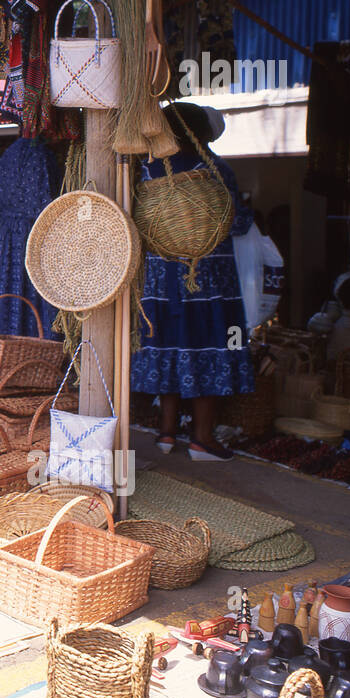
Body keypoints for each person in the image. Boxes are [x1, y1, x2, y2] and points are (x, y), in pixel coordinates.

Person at [131, 102, 254, 462]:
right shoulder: (216, 170)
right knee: (206, 347)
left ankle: (166, 433)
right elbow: (237, 223)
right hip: (207, 280)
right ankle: (201, 438)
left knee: (172, 346)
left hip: (160, 281)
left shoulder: (146, 170)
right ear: (201, 134)